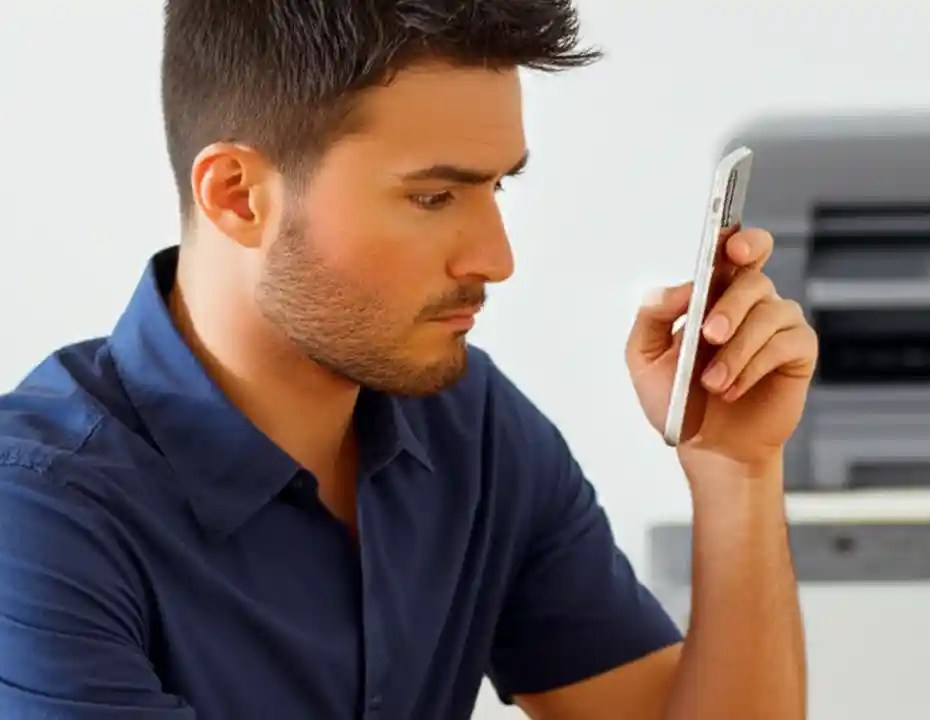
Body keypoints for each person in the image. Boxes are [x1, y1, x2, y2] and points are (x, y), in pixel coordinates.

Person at [0, 1, 815, 718]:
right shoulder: (37, 516)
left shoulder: (473, 430)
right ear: (238, 196)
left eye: (497, 189)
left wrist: (736, 473)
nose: (496, 259)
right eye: (433, 197)